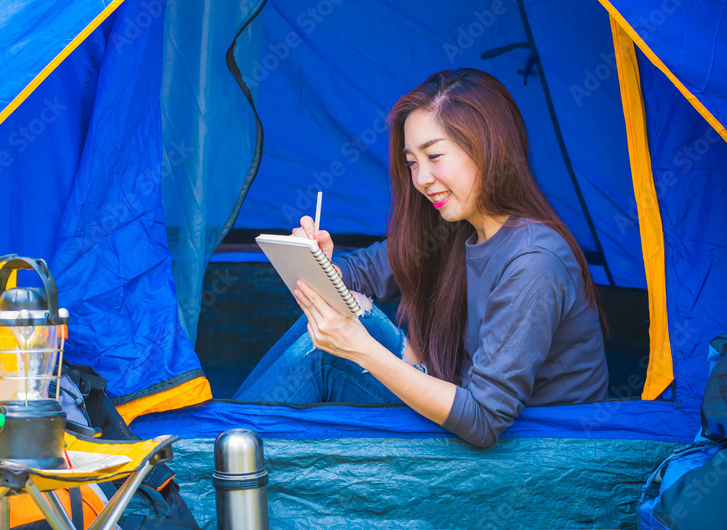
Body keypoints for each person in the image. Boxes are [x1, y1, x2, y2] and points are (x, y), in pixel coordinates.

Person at [233, 68, 609, 448]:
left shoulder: (534, 260)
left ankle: (215, 453)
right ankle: (221, 444)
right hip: (460, 404)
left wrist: (360, 348)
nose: (422, 178)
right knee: (329, 326)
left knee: (327, 354)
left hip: (539, 453)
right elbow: (360, 274)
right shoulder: (452, 227)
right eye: (412, 162)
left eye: (434, 156)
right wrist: (322, 263)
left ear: (488, 148)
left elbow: (484, 420)